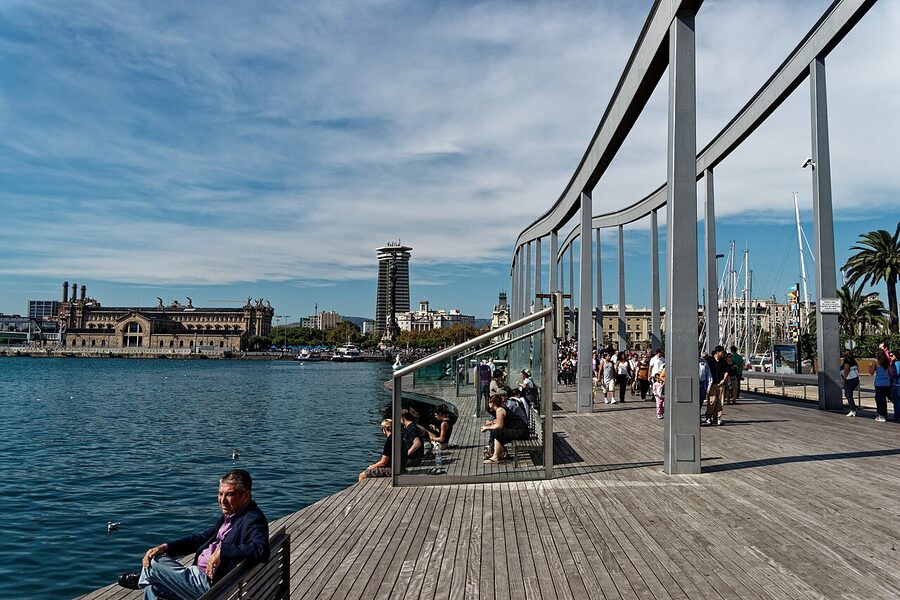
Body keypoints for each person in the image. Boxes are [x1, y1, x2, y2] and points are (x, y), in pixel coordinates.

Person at [117, 469, 269, 599]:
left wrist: (223, 552)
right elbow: (200, 539)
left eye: (229, 494)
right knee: (153, 590)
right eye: (220, 494)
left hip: (216, 589)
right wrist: (166, 547)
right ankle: (147, 577)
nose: (222, 500)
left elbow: (262, 550)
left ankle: (142, 578)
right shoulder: (231, 515)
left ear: (246, 496)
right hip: (202, 578)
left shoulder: (252, 519)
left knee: (155, 563)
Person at [481, 394, 528, 463]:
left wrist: (487, 428)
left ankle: (496, 457)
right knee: (498, 432)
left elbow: (500, 425)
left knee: (497, 432)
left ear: (493, 403)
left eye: (489, 402)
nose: (488, 404)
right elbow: (500, 420)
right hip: (521, 431)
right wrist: (491, 422)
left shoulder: (499, 410)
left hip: (521, 432)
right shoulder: (501, 408)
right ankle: (501, 453)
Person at [869, 349, 892, 422]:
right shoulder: (886, 362)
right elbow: (891, 372)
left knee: (879, 399)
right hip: (886, 383)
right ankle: (884, 414)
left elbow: (871, 372)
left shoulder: (875, 362)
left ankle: (881, 415)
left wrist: (870, 367)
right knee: (884, 399)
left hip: (879, 383)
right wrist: (888, 378)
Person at [840, 350, 860, 416]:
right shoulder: (854, 361)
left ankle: (853, 410)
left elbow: (846, 370)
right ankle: (853, 408)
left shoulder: (847, 361)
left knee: (848, 394)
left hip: (850, 379)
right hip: (856, 379)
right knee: (848, 394)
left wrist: (844, 379)